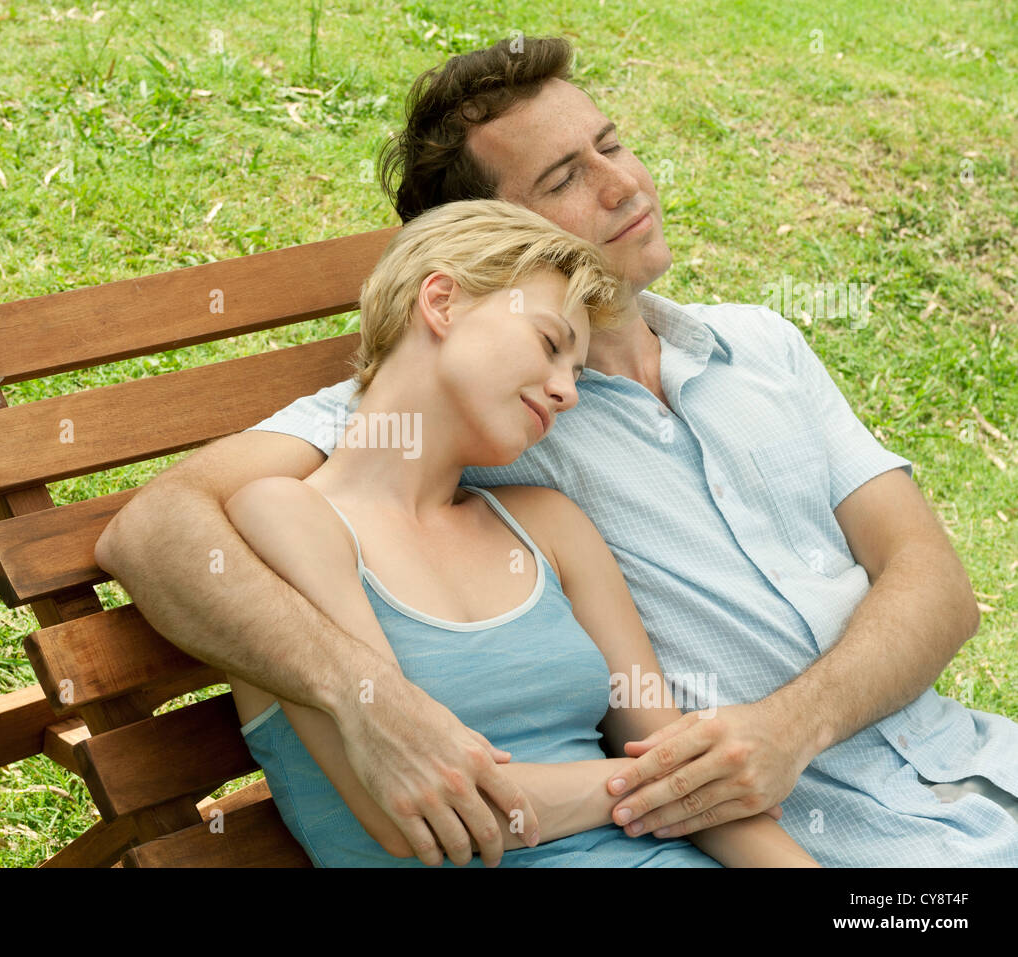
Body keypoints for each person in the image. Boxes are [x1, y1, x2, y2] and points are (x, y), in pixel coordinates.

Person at [95, 36, 1018, 868]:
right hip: (823, 839)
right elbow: (157, 529)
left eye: (611, 145)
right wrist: (369, 699)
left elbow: (934, 580)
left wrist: (790, 725)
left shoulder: (764, 344)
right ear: (484, 250)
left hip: (971, 771)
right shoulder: (459, 413)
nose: (623, 185)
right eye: (563, 179)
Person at [223, 197, 817, 867]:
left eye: (576, 371)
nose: (567, 391)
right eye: (548, 344)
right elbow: (424, 809)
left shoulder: (547, 525)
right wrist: (667, 785)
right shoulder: (285, 519)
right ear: (442, 302)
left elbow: (687, 769)